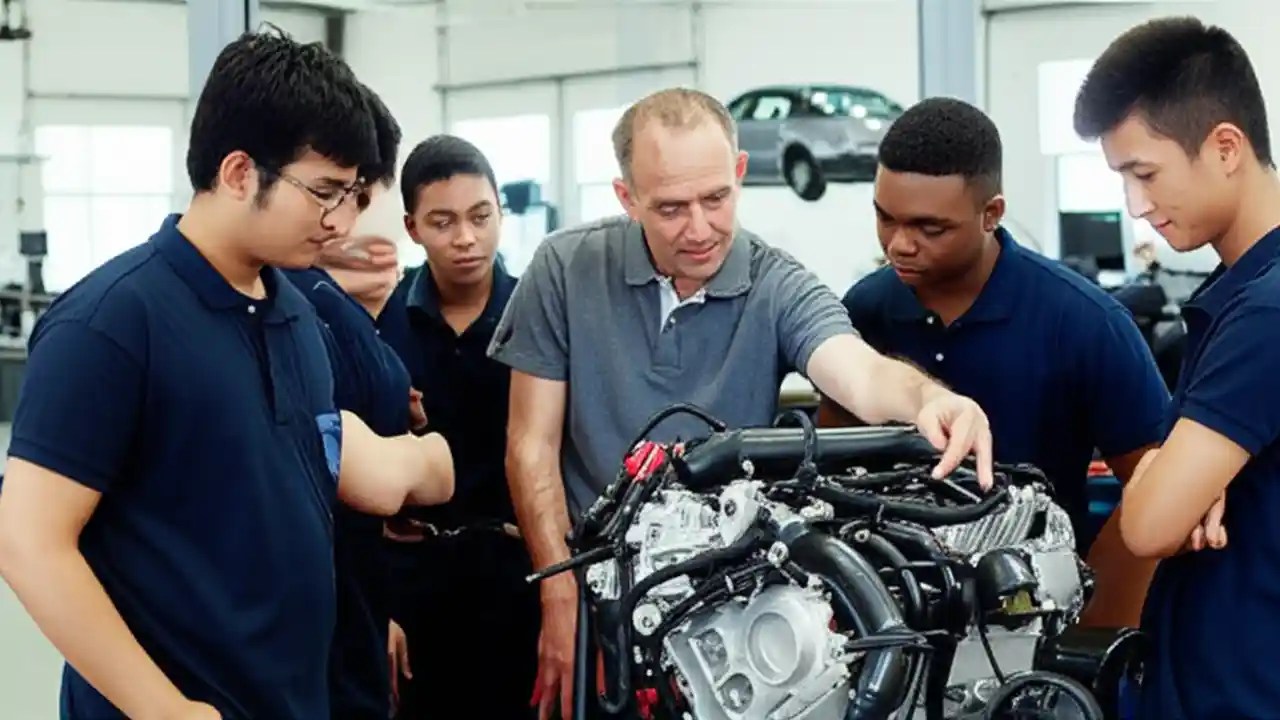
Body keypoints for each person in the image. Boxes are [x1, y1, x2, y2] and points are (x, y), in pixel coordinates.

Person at [487, 87, 995, 720]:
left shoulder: (776, 282)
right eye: (670, 208)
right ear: (627, 198)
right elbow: (529, 444)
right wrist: (559, 595)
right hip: (595, 595)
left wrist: (929, 400)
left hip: (729, 615)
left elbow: (857, 372)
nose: (699, 230)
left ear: (739, 174)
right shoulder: (564, 268)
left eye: (716, 199)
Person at [0, 30, 454, 720]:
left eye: (349, 193)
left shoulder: (296, 318)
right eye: (323, 192)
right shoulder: (112, 324)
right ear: (241, 173)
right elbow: (28, 540)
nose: (338, 222)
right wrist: (163, 709)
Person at [817, 96, 1170, 628]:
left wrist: (1089, 628)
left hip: (1030, 617)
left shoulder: (1084, 323)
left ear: (992, 214)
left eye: (929, 228)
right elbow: (835, 472)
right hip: (892, 618)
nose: (899, 244)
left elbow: (1157, 487)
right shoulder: (862, 312)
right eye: (884, 218)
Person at [1074, 16, 1280, 719]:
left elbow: (1150, 525)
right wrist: (1176, 463)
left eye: (1145, 173)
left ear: (1226, 146)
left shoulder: (1268, 312)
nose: (1136, 206)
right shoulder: (1241, 296)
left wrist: (1166, 478)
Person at [376, 135, 539, 720]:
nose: (465, 238)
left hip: (522, 577)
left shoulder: (538, 315)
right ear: (413, 227)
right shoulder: (381, 325)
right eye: (442, 222)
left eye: (480, 217)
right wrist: (381, 608)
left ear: (500, 211)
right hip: (417, 583)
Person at [279, 87, 428, 720]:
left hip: (354, 601)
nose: (345, 220)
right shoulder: (290, 306)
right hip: (299, 628)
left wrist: (379, 610)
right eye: (333, 193)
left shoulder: (342, 308)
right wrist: (427, 460)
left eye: (361, 198)